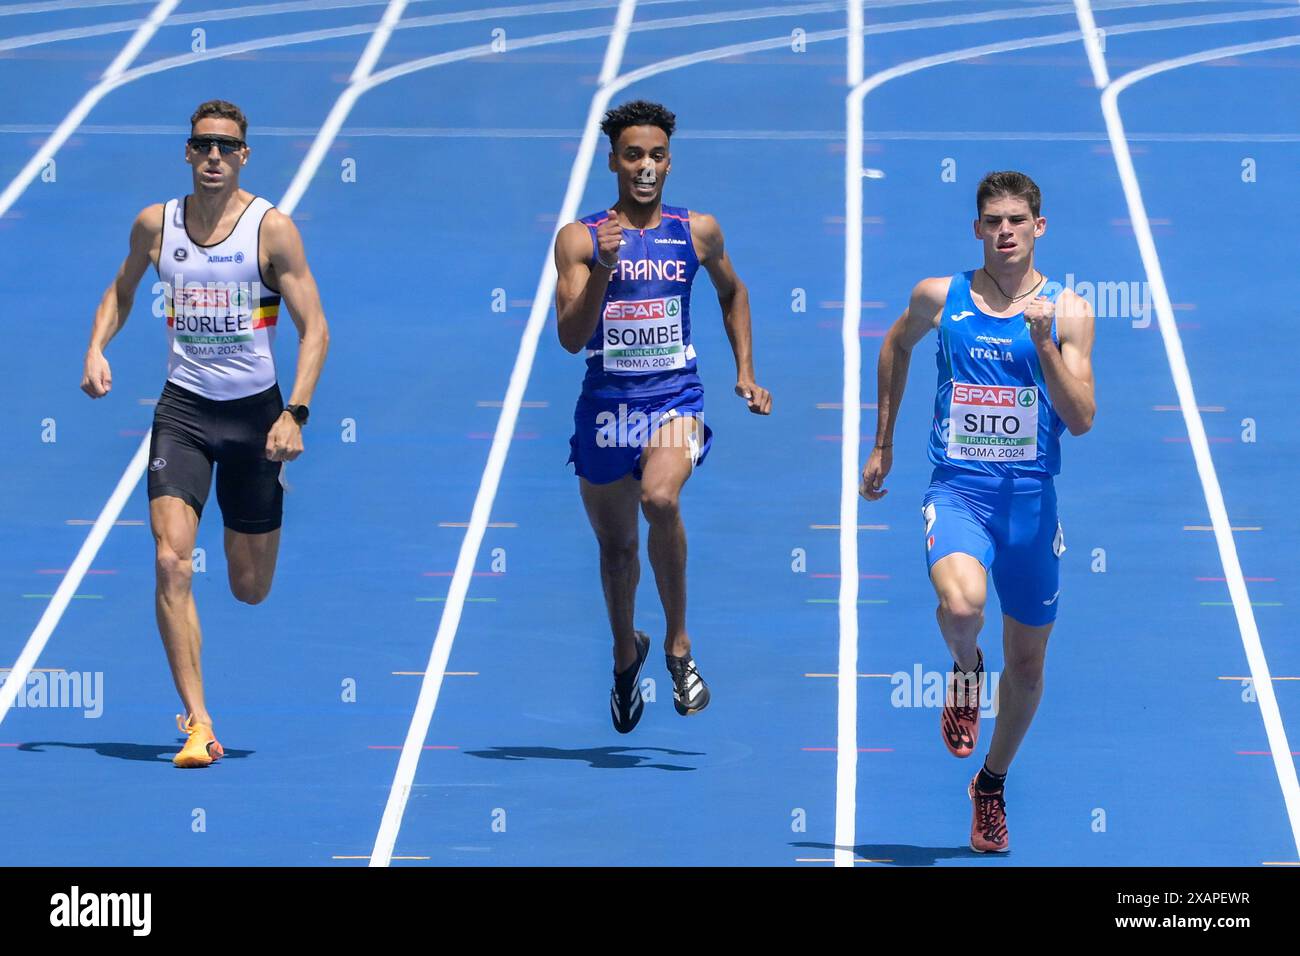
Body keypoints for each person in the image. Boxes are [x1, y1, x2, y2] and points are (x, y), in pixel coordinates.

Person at [80, 100, 330, 768]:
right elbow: (122, 289)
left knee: (249, 587)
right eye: (202, 145)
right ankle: (198, 723)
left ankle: (259, 499)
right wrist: (97, 347)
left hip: (256, 421)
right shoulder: (156, 226)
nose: (214, 156)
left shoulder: (271, 231)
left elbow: (316, 330)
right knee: (169, 560)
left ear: (244, 155)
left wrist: (293, 413)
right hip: (184, 414)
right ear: (187, 153)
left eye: (226, 146)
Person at [859, 170, 1095, 851]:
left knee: (1026, 667)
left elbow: (1081, 419)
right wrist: (882, 446)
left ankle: (990, 783)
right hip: (958, 490)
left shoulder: (1071, 311)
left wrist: (1044, 344)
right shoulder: (941, 297)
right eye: (993, 220)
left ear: (1038, 228)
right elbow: (894, 346)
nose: (1005, 231)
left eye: (1018, 219)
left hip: (1030, 505)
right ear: (977, 229)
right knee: (962, 609)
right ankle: (965, 670)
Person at [554, 100, 772, 733]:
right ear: (614, 161)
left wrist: (745, 372)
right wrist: (602, 268)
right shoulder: (579, 238)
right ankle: (627, 654)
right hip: (604, 409)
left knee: (660, 498)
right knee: (618, 551)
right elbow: (571, 338)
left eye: (655, 156)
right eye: (632, 156)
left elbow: (734, 292)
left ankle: (678, 644)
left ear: (669, 161)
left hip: (674, 398)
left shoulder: (697, 229)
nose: (644, 167)